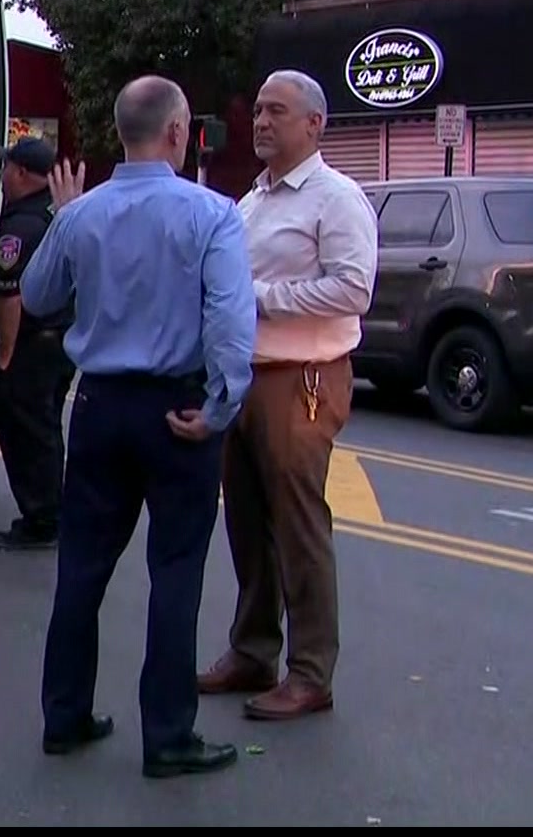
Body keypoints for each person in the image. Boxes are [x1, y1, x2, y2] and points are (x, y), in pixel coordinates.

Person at [20, 75, 256, 780]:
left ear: (122, 132)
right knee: (175, 571)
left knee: (81, 567)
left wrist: (68, 232)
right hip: (176, 409)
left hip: (99, 407)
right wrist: (220, 407)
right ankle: (168, 734)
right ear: (178, 132)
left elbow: (36, 293)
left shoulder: (82, 215)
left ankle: (64, 716)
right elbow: (230, 322)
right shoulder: (211, 214)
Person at [199, 69, 377, 721]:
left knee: (299, 527)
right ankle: (253, 651)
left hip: (301, 379)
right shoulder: (253, 200)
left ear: (314, 123)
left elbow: (354, 288)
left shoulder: (336, 198)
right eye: (258, 111)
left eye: (277, 111)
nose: (262, 121)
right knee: (247, 524)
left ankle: (310, 673)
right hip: (243, 378)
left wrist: (260, 300)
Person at [0, 135, 72, 551]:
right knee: (45, 431)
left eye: (7, 166)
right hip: (57, 342)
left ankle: (41, 520)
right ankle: (52, 513)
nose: (3, 172)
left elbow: (10, 294)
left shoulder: (20, 228)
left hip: (27, 346)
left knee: (27, 435)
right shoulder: (53, 214)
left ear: (22, 173)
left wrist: (5, 354)